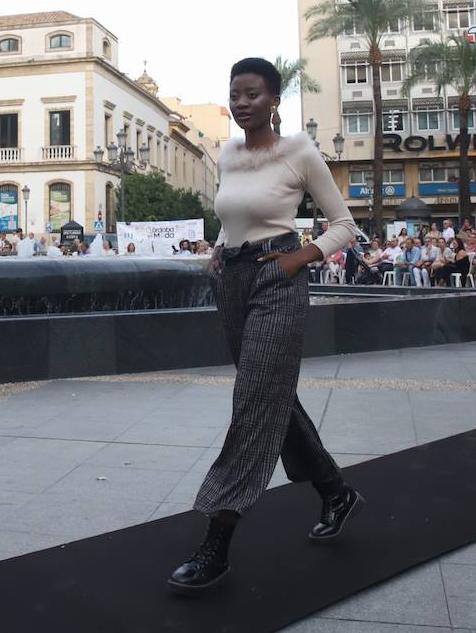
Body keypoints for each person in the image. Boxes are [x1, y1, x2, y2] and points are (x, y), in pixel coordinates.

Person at [168, 57, 358, 594]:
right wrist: (218, 250)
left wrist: (300, 258)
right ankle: (336, 492)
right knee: (271, 395)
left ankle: (218, 539)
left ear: (274, 101)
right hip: (231, 281)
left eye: (252, 94)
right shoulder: (227, 154)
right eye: (235, 94)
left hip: (279, 278)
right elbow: (233, 218)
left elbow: (345, 225)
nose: (241, 102)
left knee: (253, 401)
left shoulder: (299, 150)